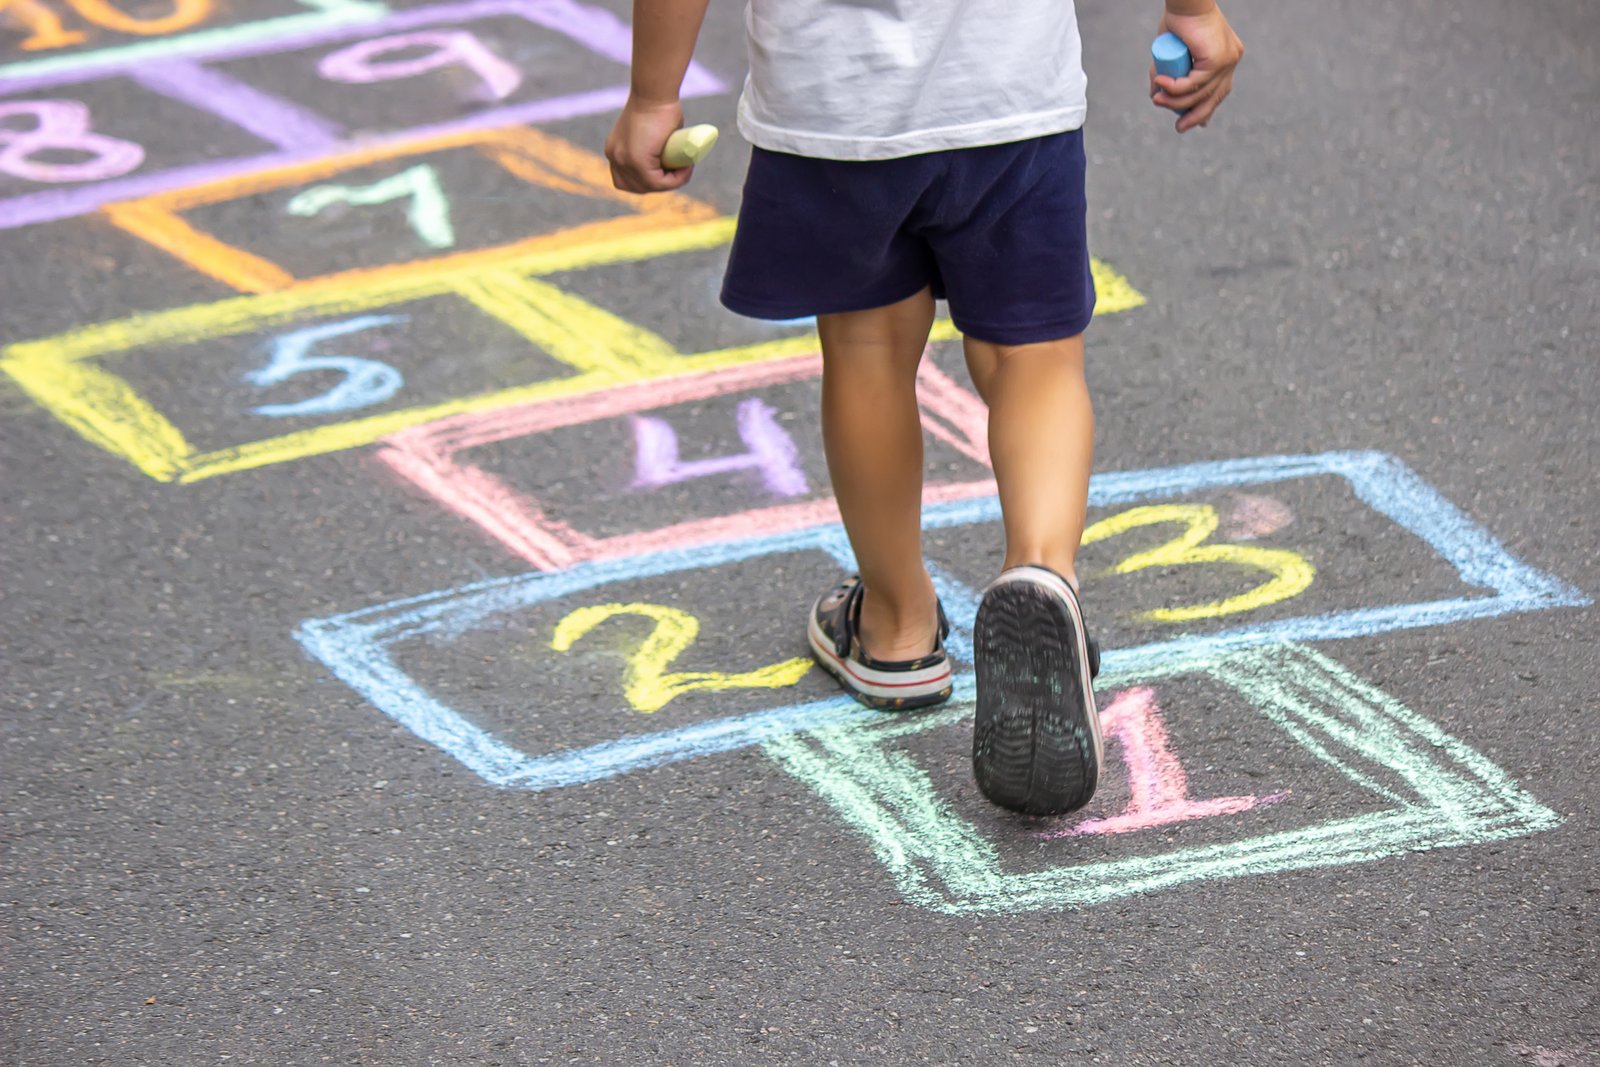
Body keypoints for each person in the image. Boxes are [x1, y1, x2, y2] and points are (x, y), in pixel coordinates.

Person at [606, 0, 1244, 815]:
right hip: (1010, 90)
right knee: (1034, 360)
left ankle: (897, 627)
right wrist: (1192, 9)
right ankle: (1043, 575)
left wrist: (653, 95)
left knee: (869, 349)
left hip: (836, 105)